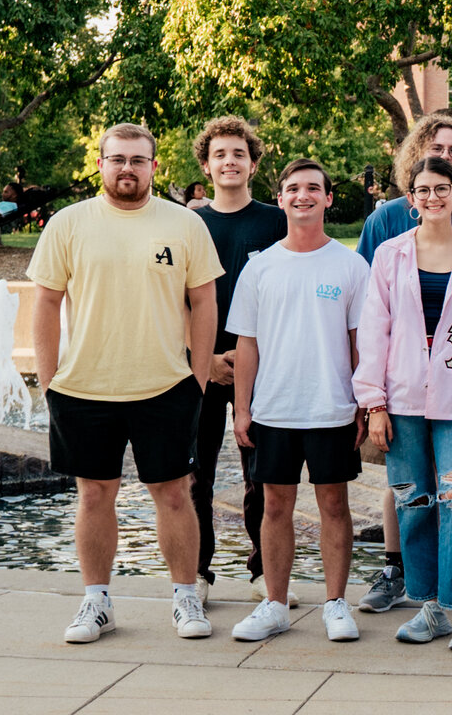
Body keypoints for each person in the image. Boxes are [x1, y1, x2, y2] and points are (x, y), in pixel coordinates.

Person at [28, 123, 222, 644]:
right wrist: (50, 383)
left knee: (175, 495)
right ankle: (97, 603)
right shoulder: (68, 224)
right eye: (117, 159)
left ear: (155, 166)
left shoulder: (184, 225)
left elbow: (203, 302)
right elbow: (45, 304)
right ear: (101, 164)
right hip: (83, 389)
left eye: (138, 160)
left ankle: (185, 596)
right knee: (94, 496)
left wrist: (197, 379)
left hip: (165, 386)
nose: (127, 169)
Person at [355, 113, 452, 614]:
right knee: (413, 501)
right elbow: (373, 333)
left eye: (442, 187)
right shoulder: (389, 253)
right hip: (401, 398)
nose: (432, 196)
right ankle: (425, 604)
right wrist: (373, 403)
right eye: (423, 189)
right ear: (411, 196)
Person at [228, 158, 370, 643]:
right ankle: (274, 604)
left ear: (329, 199)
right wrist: (242, 408)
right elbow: (247, 344)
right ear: (281, 197)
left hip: (332, 407)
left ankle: (335, 604)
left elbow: (360, 343)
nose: (303, 195)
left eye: (313, 188)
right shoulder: (260, 267)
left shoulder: (351, 265)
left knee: (334, 504)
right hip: (274, 408)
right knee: (274, 507)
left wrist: (363, 404)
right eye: (293, 188)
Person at [188, 116, 286, 609]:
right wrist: (203, 359)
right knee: (195, 475)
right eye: (220, 154)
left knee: (262, 475)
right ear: (206, 166)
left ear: (252, 163)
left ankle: (262, 569)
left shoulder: (275, 221)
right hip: (199, 368)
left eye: (239, 154)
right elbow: (175, 299)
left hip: (261, 366)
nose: (230, 161)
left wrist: (249, 356)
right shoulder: (191, 224)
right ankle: (198, 572)